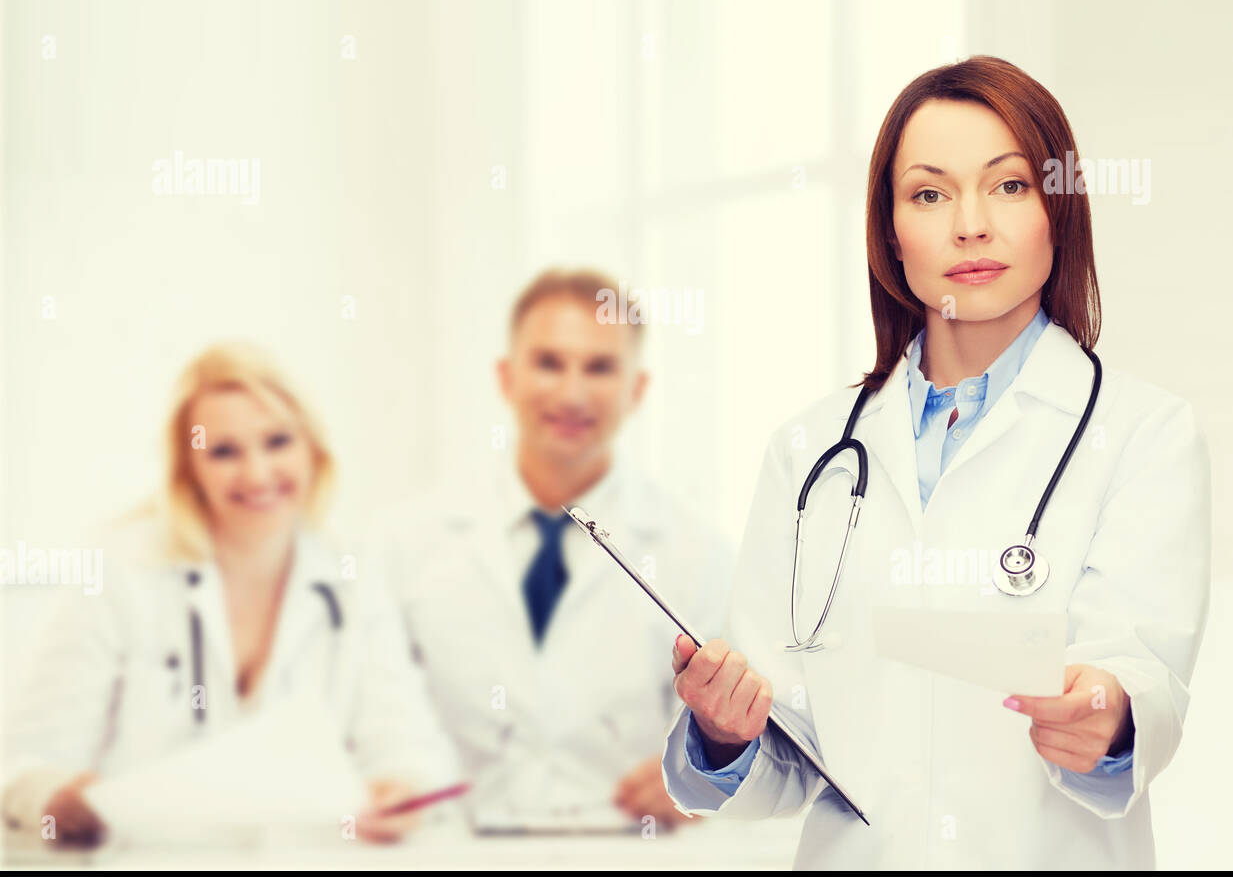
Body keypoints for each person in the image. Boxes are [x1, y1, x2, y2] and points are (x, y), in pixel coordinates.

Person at [663, 55, 1211, 869]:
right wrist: (723, 730)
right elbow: (790, 755)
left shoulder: (1145, 432)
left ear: (1058, 210)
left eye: (1009, 185)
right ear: (890, 229)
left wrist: (1111, 716)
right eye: (929, 192)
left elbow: (1143, 676)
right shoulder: (808, 452)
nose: (970, 224)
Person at [3, 343, 459, 846]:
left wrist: (399, 791)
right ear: (188, 469)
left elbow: (411, 749)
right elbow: (25, 763)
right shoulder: (119, 575)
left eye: (278, 442)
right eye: (223, 452)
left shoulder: (353, 581)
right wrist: (59, 798)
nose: (258, 473)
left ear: (313, 449)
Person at [372, 269, 733, 830]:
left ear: (637, 389)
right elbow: (381, 714)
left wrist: (701, 784)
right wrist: (396, 787)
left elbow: (730, 738)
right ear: (506, 377)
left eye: (600, 367)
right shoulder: (408, 542)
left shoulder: (698, 552)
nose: (571, 393)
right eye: (548, 363)